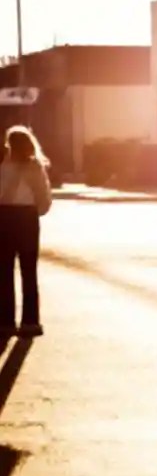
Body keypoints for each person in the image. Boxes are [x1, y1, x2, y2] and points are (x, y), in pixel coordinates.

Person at [0, 125, 51, 338]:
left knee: (3, 271)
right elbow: (43, 195)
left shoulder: (3, 165)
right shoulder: (35, 167)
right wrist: (37, 211)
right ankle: (30, 321)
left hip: (4, 216)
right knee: (29, 270)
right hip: (27, 217)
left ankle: (5, 321)